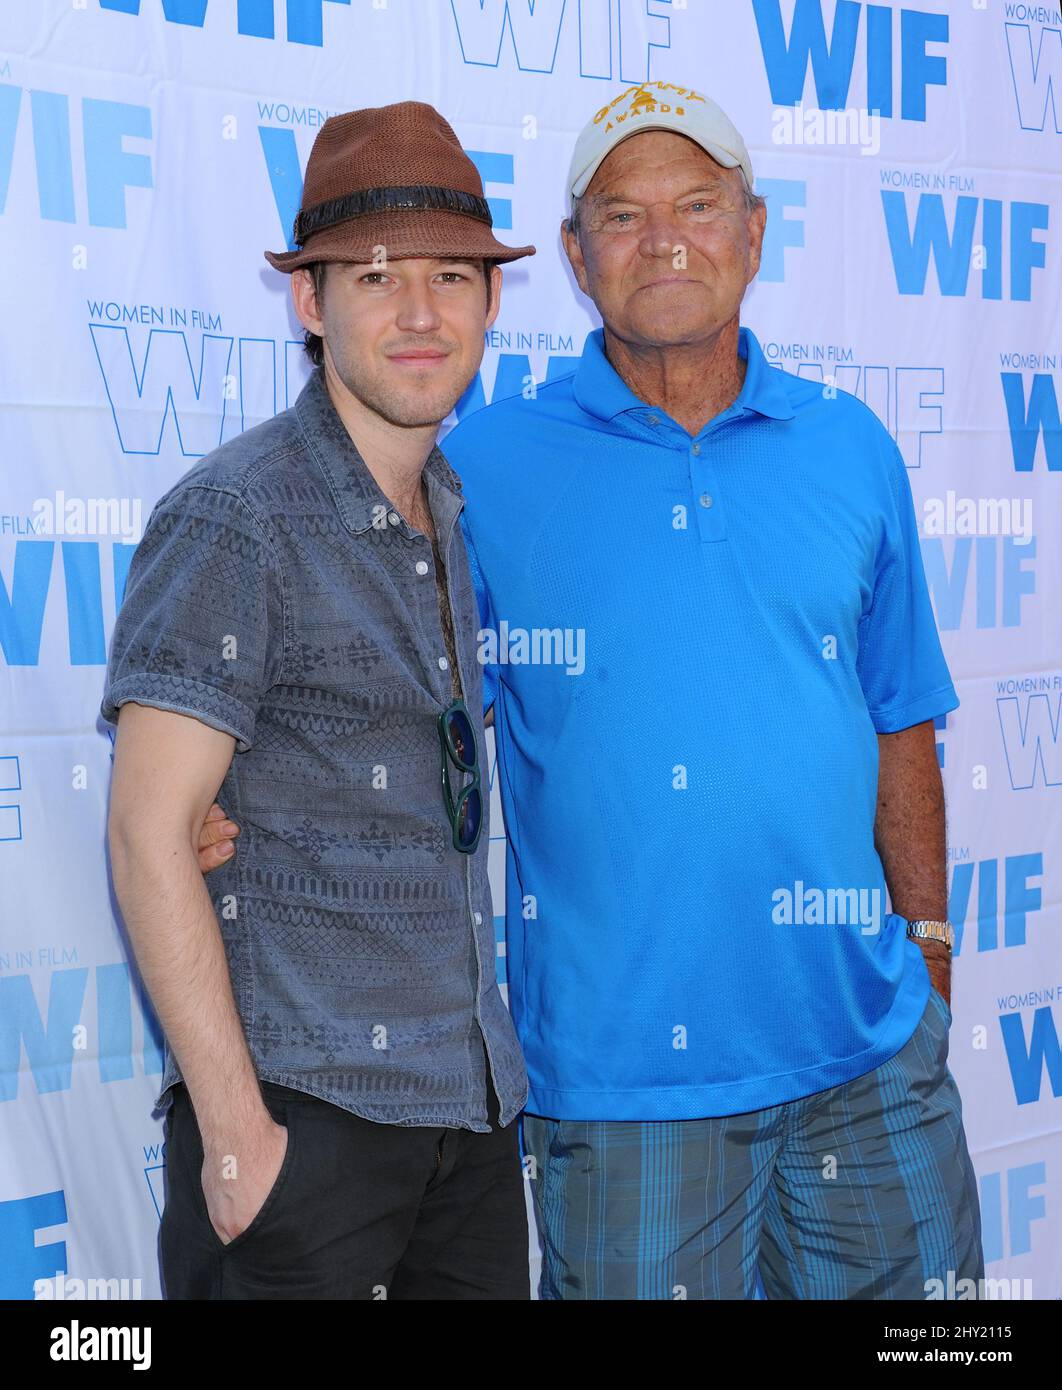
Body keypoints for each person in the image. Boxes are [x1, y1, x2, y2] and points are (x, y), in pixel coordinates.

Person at [200, 80, 984, 1300]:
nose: (664, 238)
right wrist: (215, 803)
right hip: (624, 1094)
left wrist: (928, 954)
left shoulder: (853, 446)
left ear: (757, 228)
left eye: (700, 205)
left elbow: (900, 718)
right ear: (573, 256)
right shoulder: (478, 469)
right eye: (621, 215)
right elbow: (397, 717)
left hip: (872, 1064)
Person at [102, 101, 536, 1300]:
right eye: (376, 277)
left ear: (493, 306)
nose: (420, 314)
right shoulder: (239, 514)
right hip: (307, 1128)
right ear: (311, 303)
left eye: (454, 277)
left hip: (468, 1111)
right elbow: (149, 835)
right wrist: (242, 1141)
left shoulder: (443, 504)